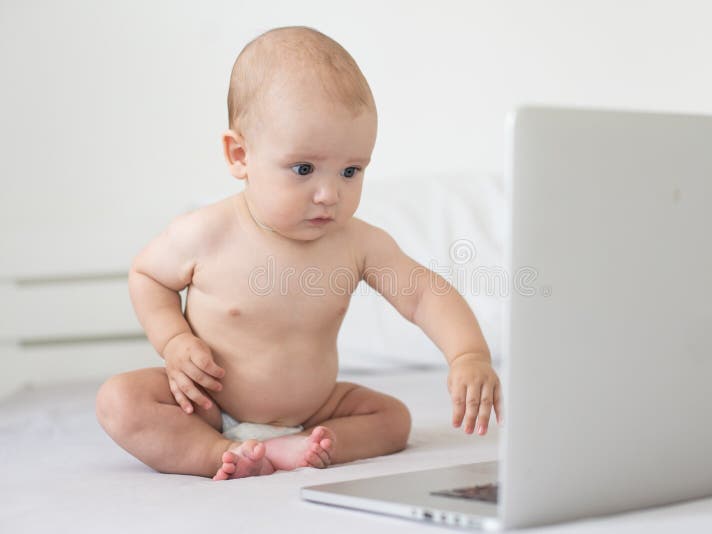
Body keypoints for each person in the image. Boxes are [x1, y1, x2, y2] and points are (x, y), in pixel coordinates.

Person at [96, 26, 502, 481]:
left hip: (316, 409)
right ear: (239, 155)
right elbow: (148, 277)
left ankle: (310, 446)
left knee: (392, 420)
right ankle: (219, 453)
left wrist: (468, 354)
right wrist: (173, 341)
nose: (329, 193)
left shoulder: (358, 242)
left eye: (351, 170)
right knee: (120, 400)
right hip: (208, 406)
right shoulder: (206, 233)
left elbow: (423, 294)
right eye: (304, 168)